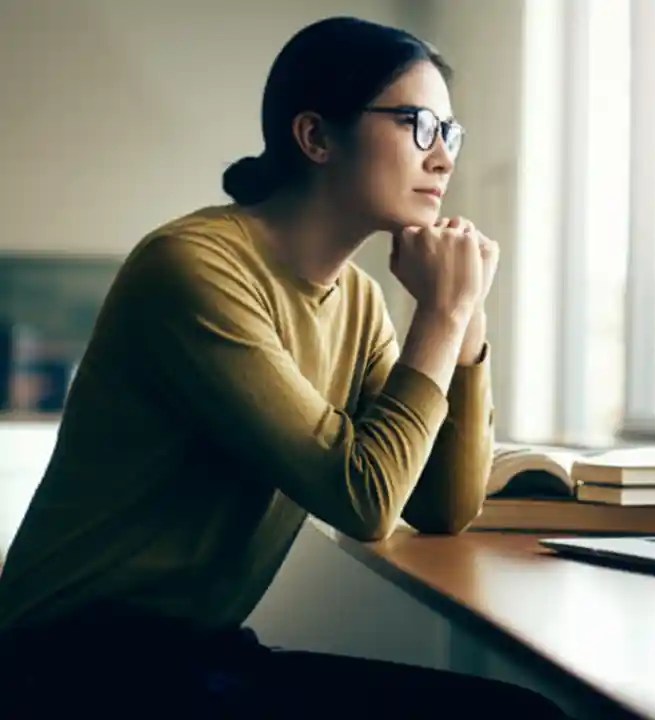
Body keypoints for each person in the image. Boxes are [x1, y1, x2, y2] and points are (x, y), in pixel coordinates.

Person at [0, 16, 568, 718]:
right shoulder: (195, 268)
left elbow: (439, 505)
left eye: (449, 133)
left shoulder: (355, 299)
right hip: (70, 669)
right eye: (418, 124)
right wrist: (441, 317)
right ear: (316, 137)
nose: (444, 158)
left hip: (193, 656)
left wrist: (468, 321)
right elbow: (363, 501)